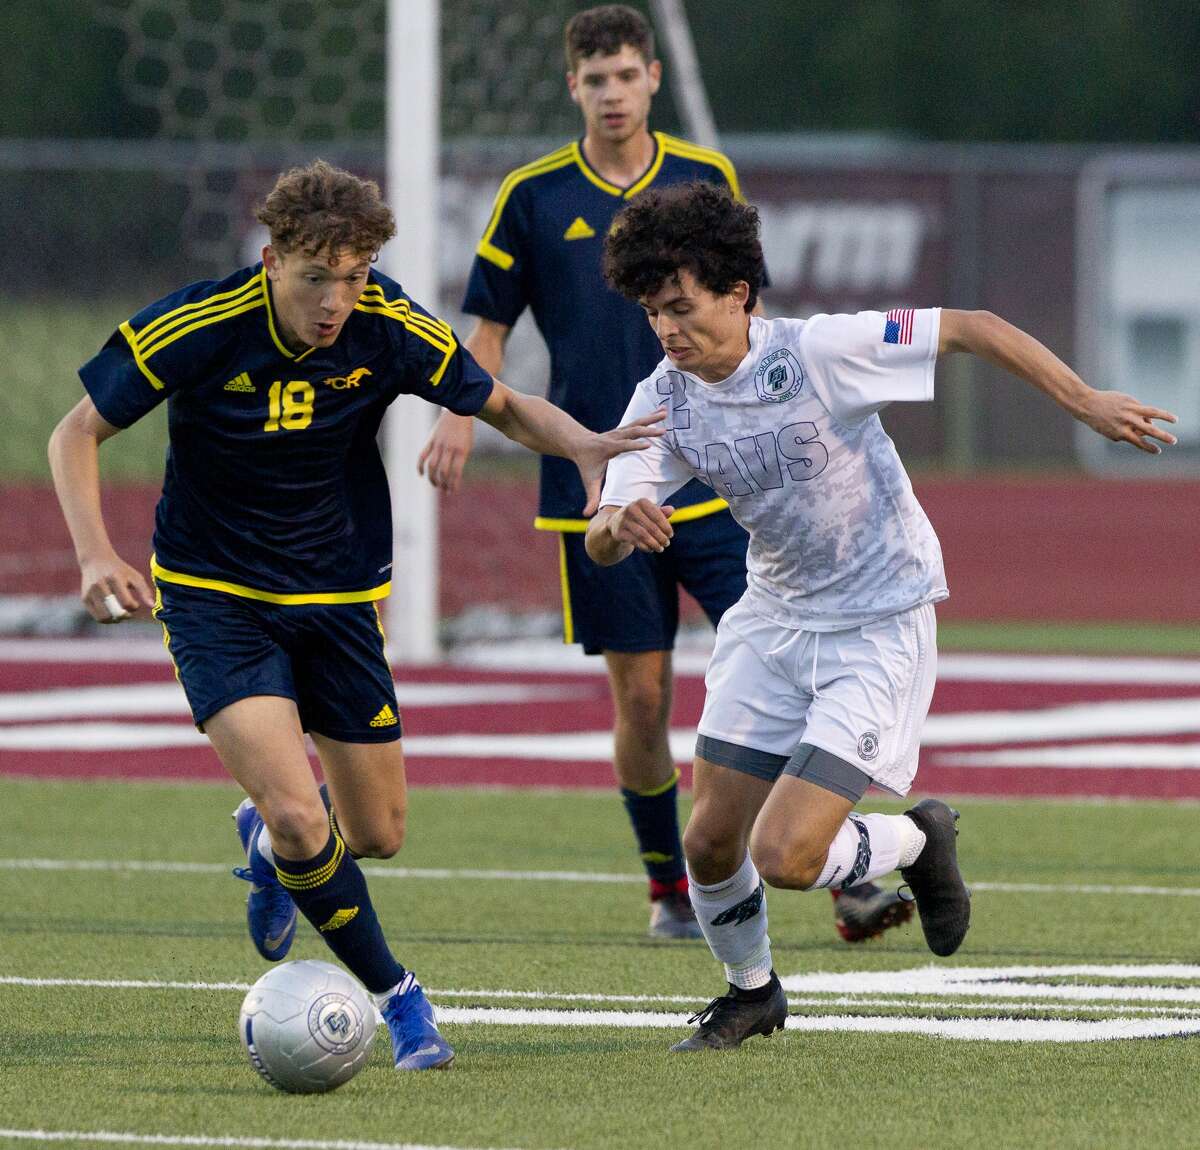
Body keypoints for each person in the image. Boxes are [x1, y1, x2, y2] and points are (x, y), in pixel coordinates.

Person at [47, 159, 663, 1072]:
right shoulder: (202, 322)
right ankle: (400, 998)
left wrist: (582, 442)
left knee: (376, 834)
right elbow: (75, 432)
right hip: (216, 597)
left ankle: (264, 843)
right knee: (305, 816)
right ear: (269, 261)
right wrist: (97, 553)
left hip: (338, 595)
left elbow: (495, 403)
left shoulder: (387, 323)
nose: (336, 300)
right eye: (316, 278)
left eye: (356, 276)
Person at [587, 180, 1179, 1050]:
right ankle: (752, 993)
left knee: (786, 858)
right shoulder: (663, 399)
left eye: (681, 307)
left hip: (879, 621)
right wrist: (614, 528)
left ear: (739, 292)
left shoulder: (821, 351)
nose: (667, 330)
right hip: (774, 620)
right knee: (710, 845)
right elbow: (603, 526)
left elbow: (971, 326)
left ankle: (915, 838)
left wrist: (1083, 400)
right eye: (652, 314)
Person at [418, 3, 908, 944]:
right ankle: (668, 888)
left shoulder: (703, 177)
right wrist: (455, 412)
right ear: (575, 87)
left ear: (652, 78)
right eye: (593, 79)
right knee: (642, 697)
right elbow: (487, 325)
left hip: (722, 476)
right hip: (600, 486)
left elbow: (744, 306)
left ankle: (838, 863)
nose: (611, 93)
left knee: (792, 670)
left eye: (626, 75)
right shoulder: (531, 194)